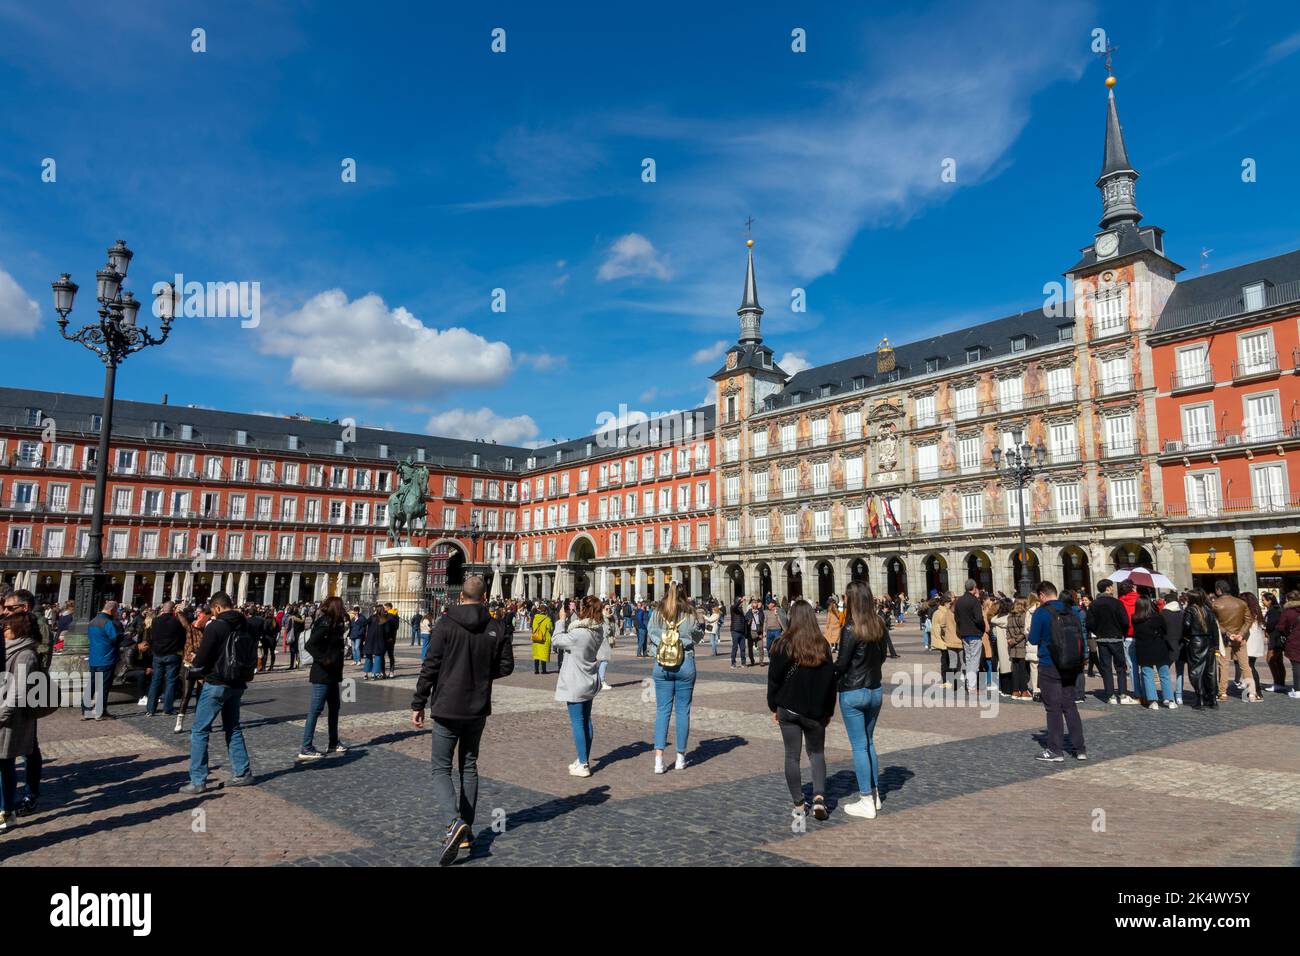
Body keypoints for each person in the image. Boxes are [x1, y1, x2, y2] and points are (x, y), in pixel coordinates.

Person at [410, 575, 514, 866]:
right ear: (484, 598)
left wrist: (418, 702)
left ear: (460, 597)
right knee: (469, 766)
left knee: (440, 768)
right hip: (477, 706)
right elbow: (506, 666)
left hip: (446, 706)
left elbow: (430, 666)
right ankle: (466, 832)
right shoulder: (496, 626)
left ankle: (454, 822)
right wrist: (480, 676)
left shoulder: (445, 624)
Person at [767, 599, 837, 821]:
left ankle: (798, 804)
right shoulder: (822, 645)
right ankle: (819, 799)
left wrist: (774, 706)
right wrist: (828, 711)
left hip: (788, 709)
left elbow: (774, 680)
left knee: (792, 756)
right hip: (816, 711)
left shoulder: (781, 644)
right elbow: (830, 681)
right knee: (816, 754)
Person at [182, 592, 255, 794]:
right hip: (238, 683)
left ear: (217, 608)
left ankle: (198, 780)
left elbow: (202, 657)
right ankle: (242, 772)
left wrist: (196, 661)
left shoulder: (216, 626)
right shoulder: (246, 624)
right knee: (233, 727)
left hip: (216, 683)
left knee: (200, 730)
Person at [834, 581, 888, 819]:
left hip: (853, 692)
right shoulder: (879, 624)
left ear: (851, 600)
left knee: (858, 746)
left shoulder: (850, 628)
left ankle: (866, 799)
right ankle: (875, 795)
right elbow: (883, 657)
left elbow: (842, 664)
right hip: (875, 690)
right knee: (869, 742)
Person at [1027, 581, 1086, 762]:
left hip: (1050, 663)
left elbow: (1034, 639)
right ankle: (1080, 749)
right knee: (1069, 705)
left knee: (1053, 707)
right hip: (1071, 663)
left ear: (1042, 595)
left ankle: (1055, 750)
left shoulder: (1042, 612)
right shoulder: (1071, 610)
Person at [0, 611, 45, 832]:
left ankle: (6, 812)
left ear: (17, 629)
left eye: (7, 627)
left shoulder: (25, 654)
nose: (3, 630)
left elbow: (17, 693)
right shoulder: (8, 649)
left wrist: (1, 715)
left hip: (9, 719)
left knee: (4, 764)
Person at [647, 582, 698, 774]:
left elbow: (651, 633)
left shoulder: (658, 611)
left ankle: (659, 760)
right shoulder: (690, 612)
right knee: (683, 711)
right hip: (685, 663)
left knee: (662, 711)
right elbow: (698, 635)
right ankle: (680, 757)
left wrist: (659, 646)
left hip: (662, 665)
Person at [552, 596, 606, 777]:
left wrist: (561, 620)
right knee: (586, 721)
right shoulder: (597, 631)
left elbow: (557, 640)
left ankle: (583, 764)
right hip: (588, 680)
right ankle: (583, 758)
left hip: (575, 682)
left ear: (584, 610)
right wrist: (571, 618)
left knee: (577, 723)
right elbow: (582, 628)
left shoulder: (578, 634)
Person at [298, 596, 348, 760]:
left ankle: (333, 742)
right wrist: (323, 659)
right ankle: (306, 746)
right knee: (315, 710)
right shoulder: (325, 623)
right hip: (323, 674)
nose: (344, 609)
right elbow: (310, 644)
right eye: (341, 606)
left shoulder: (335, 624)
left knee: (334, 708)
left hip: (333, 674)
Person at [1087, 579, 1134, 705]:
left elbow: (1089, 623)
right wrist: (1121, 632)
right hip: (1116, 638)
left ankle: (1110, 695)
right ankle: (1123, 694)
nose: (1113, 589)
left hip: (1102, 639)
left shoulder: (1094, 604)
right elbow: (1125, 621)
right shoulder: (1117, 603)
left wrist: (1097, 631)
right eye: (1112, 587)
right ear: (1108, 588)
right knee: (1120, 667)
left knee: (1106, 667)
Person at [1210, 581, 1252, 702]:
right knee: (1245, 665)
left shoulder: (1215, 604)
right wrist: (1240, 634)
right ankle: (1251, 692)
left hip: (1225, 639)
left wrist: (1228, 633)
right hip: (1240, 638)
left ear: (1219, 590)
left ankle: (1223, 693)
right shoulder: (1241, 603)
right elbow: (1248, 620)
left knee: (1223, 665)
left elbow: (1215, 623)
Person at [1132, 598, 1175, 710]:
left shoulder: (1135, 619)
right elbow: (1165, 630)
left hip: (1143, 649)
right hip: (1159, 647)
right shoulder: (1158, 617)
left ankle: (1152, 701)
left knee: (1147, 675)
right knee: (1164, 673)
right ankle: (1170, 700)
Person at [145, 601, 186, 718]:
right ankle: (167, 708)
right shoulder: (176, 622)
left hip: (158, 654)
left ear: (163, 609)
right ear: (173, 609)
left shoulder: (155, 621)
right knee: (170, 681)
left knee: (155, 681)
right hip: (172, 654)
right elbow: (183, 635)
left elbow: (152, 636)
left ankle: (150, 709)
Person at [82, 600, 120, 720]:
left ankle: (85, 711)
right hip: (106, 657)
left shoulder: (92, 622)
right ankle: (100, 712)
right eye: (116, 611)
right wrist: (124, 635)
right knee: (103, 686)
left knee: (91, 685)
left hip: (94, 658)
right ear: (112, 610)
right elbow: (115, 638)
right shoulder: (108, 622)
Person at [1181, 589, 1220, 708]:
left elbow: (1186, 625)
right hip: (1209, 641)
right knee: (1210, 671)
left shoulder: (1190, 609)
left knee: (1196, 671)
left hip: (1196, 641)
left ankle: (1200, 698)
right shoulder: (1208, 609)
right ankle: (1212, 699)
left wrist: (1186, 635)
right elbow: (1215, 628)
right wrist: (1216, 645)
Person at [953, 579, 985, 694]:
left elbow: (956, 618)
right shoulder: (974, 601)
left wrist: (962, 628)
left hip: (964, 634)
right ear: (974, 587)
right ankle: (971, 686)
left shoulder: (959, 601)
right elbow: (979, 619)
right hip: (974, 634)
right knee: (974, 661)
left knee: (968, 659)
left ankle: (969, 684)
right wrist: (982, 628)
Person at [1160, 592, 1186, 706]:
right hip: (1180, 645)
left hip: (1167, 645)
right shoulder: (1182, 613)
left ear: (1166, 601)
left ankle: (1168, 696)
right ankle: (1179, 696)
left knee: (1164, 671)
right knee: (1179, 672)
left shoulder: (1163, 614)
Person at [1240, 592, 1266, 703]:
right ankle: (1253, 690)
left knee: (1249, 667)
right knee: (1250, 666)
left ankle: (1255, 691)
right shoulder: (1256, 610)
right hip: (1255, 640)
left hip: (1250, 640)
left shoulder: (1248, 611)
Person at [932, 592, 960, 691]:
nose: (954, 599)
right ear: (946, 602)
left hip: (944, 641)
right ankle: (946, 681)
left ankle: (948, 681)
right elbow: (943, 627)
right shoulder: (942, 613)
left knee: (947, 661)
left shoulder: (942, 611)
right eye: (953, 598)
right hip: (943, 642)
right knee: (946, 662)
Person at [1007, 597, 1031, 699]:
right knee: (1023, 669)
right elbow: (1023, 632)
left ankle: (1015, 690)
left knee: (1015, 669)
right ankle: (1024, 690)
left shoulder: (1010, 615)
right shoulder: (1023, 615)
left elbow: (1007, 630)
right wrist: (1015, 640)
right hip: (1020, 645)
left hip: (1012, 645)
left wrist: (1009, 640)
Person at [1262, 591, 1286, 692]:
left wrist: (1265, 628)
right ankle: (1280, 683)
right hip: (1276, 638)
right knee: (1278, 661)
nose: (1262, 602)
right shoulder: (1276, 609)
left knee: (1270, 660)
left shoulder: (1273, 611)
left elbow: (1271, 624)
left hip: (1275, 638)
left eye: (1263, 600)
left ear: (1270, 600)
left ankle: (1278, 683)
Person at [363, 605, 388, 680]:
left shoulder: (372, 617)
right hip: (380, 640)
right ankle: (374, 674)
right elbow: (387, 631)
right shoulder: (384, 619)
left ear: (376, 610)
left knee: (368, 656)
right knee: (378, 656)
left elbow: (364, 623)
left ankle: (366, 674)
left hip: (370, 640)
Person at [530, 604, 553, 674]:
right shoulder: (547, 619)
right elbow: (550, 628)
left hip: (536, 639)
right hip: (544, 639)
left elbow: (533, 627)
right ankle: (543, 670)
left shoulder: (535, 618)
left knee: (536, 655)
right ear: (545, 611)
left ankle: (536, 670)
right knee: (543, 655)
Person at [729, 597, 752, 668]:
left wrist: (747, 622)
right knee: (735, 647)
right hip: (735, 630)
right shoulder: (733, 608)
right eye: (740, 601)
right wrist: (740, 601)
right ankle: (733, 663)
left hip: (742, 631)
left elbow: (742, 620)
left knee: (743, 648)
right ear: (737, 601)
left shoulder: (741, 610)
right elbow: (735, 606)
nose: (742, 603)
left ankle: (743, 663)